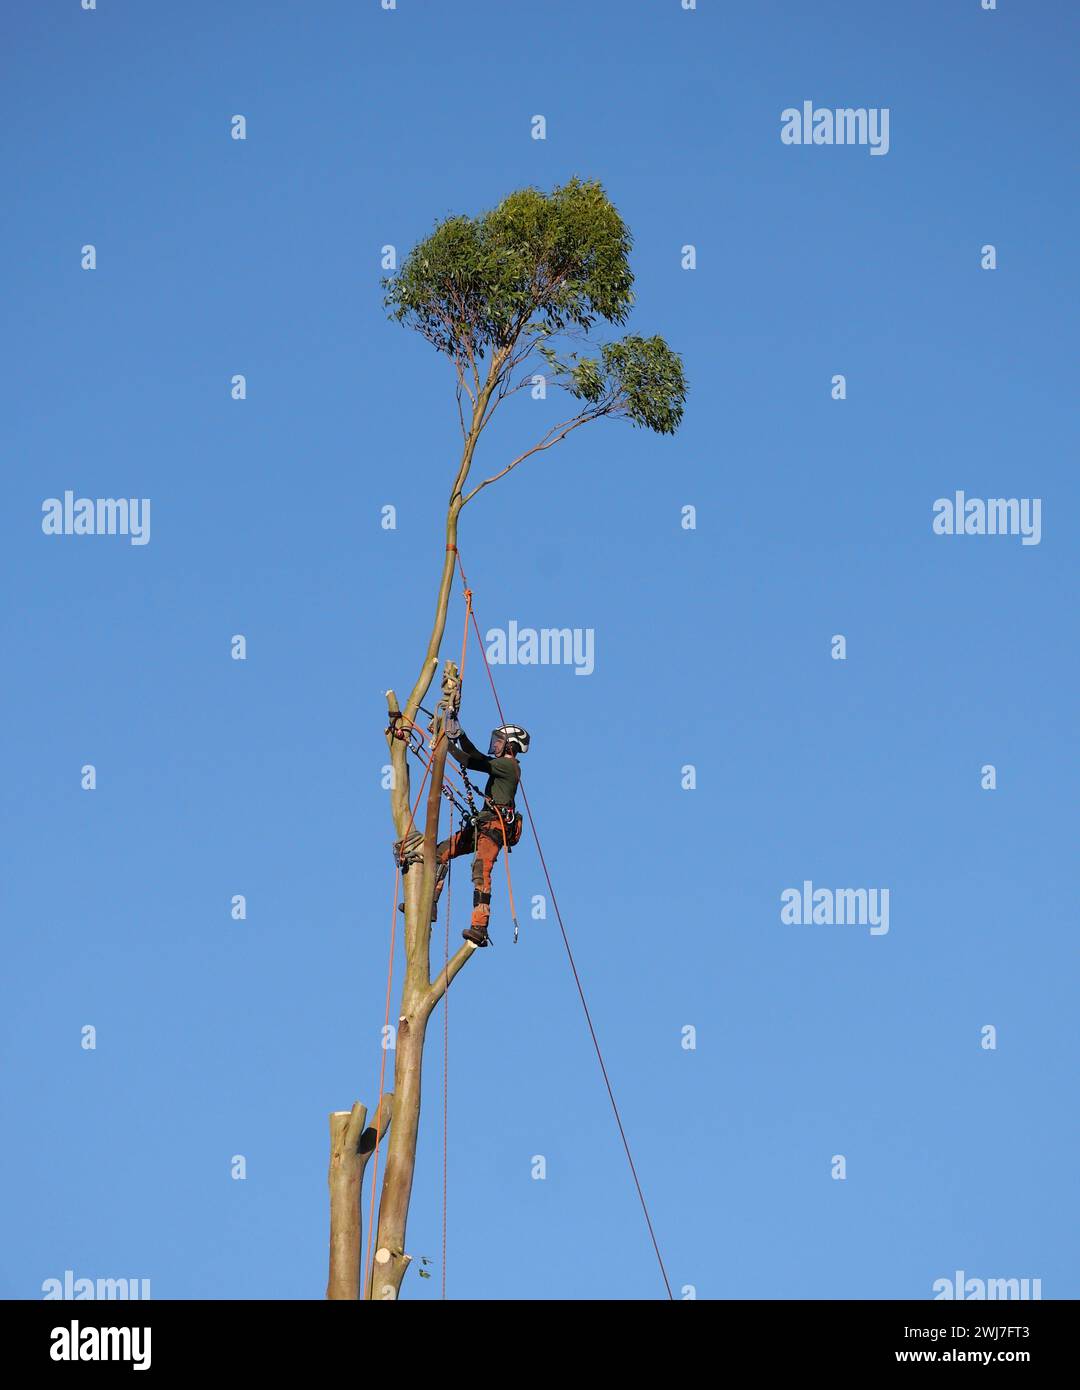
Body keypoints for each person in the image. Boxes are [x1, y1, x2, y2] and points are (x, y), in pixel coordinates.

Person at [435, 721, 529, 946]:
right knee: (441, 851)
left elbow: (470, 760)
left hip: (495, 828)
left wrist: (447, 743)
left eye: (499, 742)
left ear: (510, 747)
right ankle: (430, 903)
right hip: (484, 825)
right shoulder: (500, 764)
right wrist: (461, 736)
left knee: (481, 867)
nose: (495, 745)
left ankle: (480, 925)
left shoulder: (509, 766)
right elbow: (476, 756)